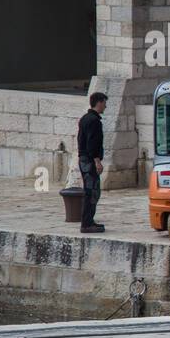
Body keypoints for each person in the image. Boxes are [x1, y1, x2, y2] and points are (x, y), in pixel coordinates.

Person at [76, 92, 108, 234]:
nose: (105, 106)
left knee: (91, 191)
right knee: (92, 192)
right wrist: (97, 162)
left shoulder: (85, 119)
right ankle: (86, 223)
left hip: (84, 160)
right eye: (104, 103)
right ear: (99, 102)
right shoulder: (94, 121)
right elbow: (92, 144)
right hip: (89, 161)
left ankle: (89, 221)